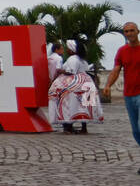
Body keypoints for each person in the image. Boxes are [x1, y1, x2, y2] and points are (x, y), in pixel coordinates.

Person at [104, 22, 140, 171]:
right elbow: (116, 70)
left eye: (132, 30)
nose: (129, 33)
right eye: (126, 31)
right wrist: (107, 85)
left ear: (138, 31)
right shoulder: (122, 51)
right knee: (135, 131)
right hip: (128, 94)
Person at [48, 40, 103, 134]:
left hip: (75, 83)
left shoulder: (72, 58)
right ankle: (84, 127)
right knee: (85, 105)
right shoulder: (83, 59)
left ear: (72, 50)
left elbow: (71, 71)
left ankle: (68, 126)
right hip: (87, 81)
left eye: (68, 49)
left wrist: (61, 71)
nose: (67, 50)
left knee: (67, 102)